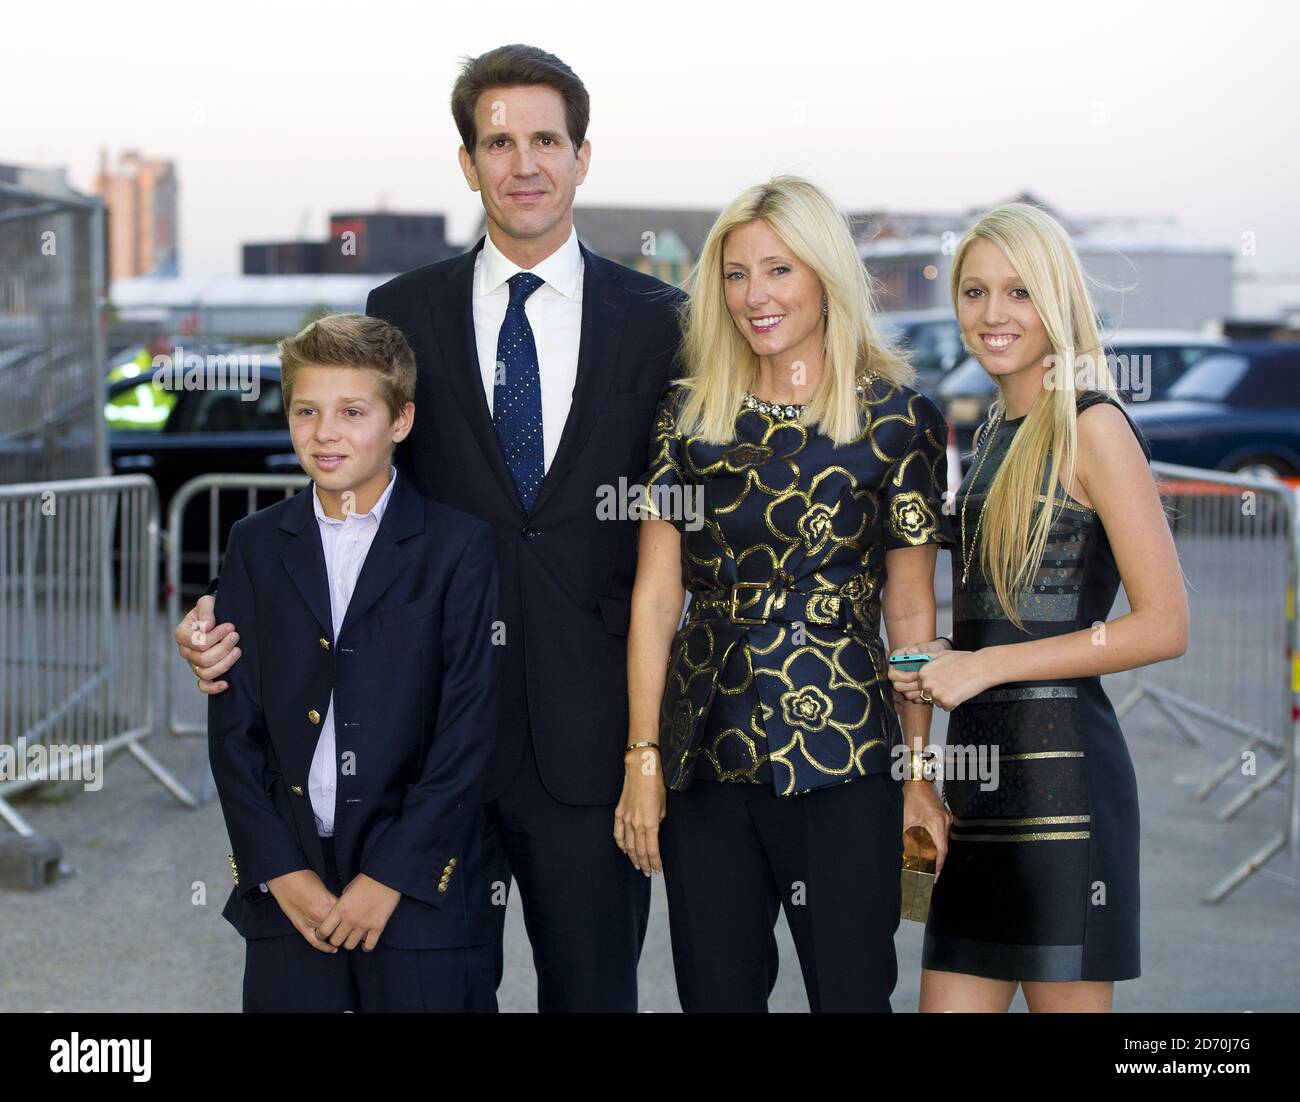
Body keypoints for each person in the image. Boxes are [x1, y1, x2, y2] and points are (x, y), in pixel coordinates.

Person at [177, 44, 683, 1012]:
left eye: (546, 140)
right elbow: (350, 514)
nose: (523, 163)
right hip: (416, 749)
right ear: (467, 161)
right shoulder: (400, 311)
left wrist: (654, 745)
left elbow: (688, 526)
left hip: (588, 733)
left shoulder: (662, 320)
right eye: (499, 141)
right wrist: (226, 621)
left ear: (583, 156)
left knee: (593, 992)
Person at [619, 176, 955, 1012]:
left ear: (826, 276)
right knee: (715, 993)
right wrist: (643, 759)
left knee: (851, 992)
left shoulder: (899, 421)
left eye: (778, 270)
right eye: (735, 274)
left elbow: (912, 611)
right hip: (705, 756)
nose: (754, 296)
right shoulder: (685, 417)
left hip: (845, 755)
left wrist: (918, 775)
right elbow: (657, 601)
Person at [888, 202, 1189, 1012]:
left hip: (1067, 800)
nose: (993, 315)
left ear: (1055, 301)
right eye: (975, 292)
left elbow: (1165, 624)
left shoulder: (1095, 427)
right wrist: (941, 656)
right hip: (975, 792)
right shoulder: (990, 432)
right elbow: (999, 616)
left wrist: (985, 665)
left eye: (1018, 293)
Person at [208, 313, 500, 1012]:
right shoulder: (255, 544)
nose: (325, 432)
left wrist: (390, 878)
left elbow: (467, 730)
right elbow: (233, 728)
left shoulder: (457, 548)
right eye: (306, 411)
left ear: (401, 421)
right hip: (292, 876)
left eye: (351, 412)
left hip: (418, 881)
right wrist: (278, 869)